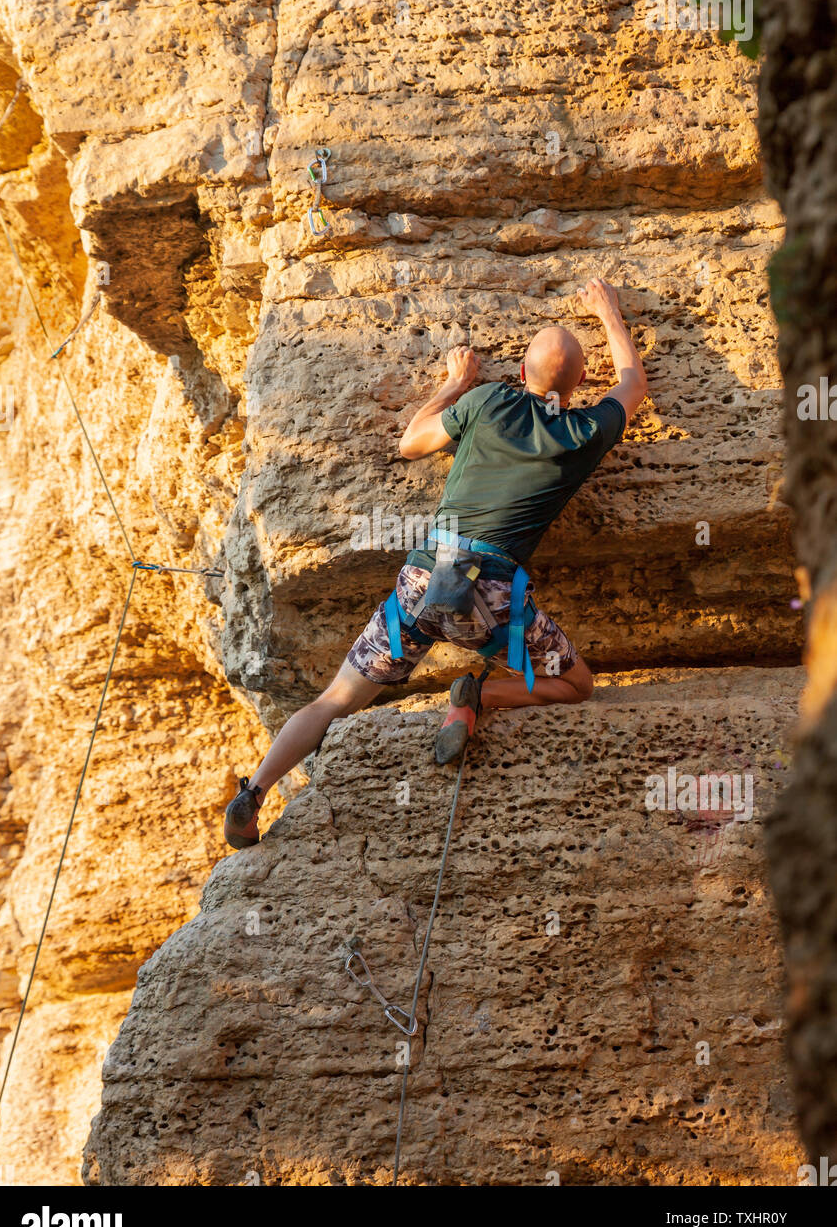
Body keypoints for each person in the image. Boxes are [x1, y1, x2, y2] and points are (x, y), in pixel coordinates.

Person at [224, 277, 648, 848]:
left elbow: (412, 442)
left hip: (424, 582)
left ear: (521, 374)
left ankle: (254, 792)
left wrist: (451, 384)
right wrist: (609, 314)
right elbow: (633, 382)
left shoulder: (489, 400)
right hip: (494, 603)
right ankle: (477, 693)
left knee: (334, 699)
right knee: (575, 684)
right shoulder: (582, 431)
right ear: (576, 388)